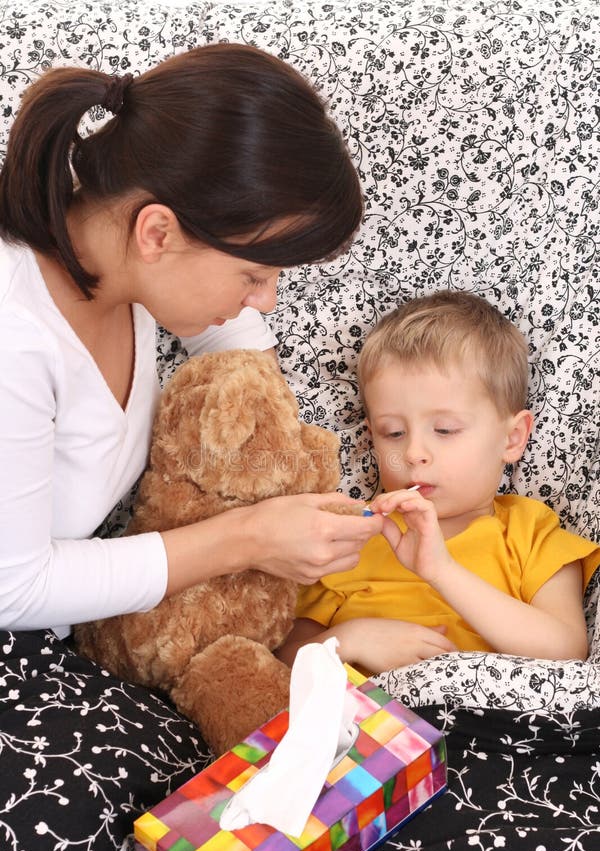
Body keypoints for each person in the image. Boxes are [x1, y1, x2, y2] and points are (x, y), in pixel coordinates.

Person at [0, 43, 384, 637]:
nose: (268, 300)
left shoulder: (120, 261)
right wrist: (250, 537)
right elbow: (15, 590)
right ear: (158, 233)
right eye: (255, 276)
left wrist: (271, 440)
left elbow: (227, 326)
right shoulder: (17, 339)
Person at [278, 290, 600, 674]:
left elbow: (567, 653)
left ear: (512, 439)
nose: (414, 452)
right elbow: (280, 667)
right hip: (370, 726)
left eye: (445, 430)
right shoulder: (351, 538)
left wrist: (441, 571)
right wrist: (350, 638)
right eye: (393, 433)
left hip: (491, 724)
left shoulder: (532, 531)